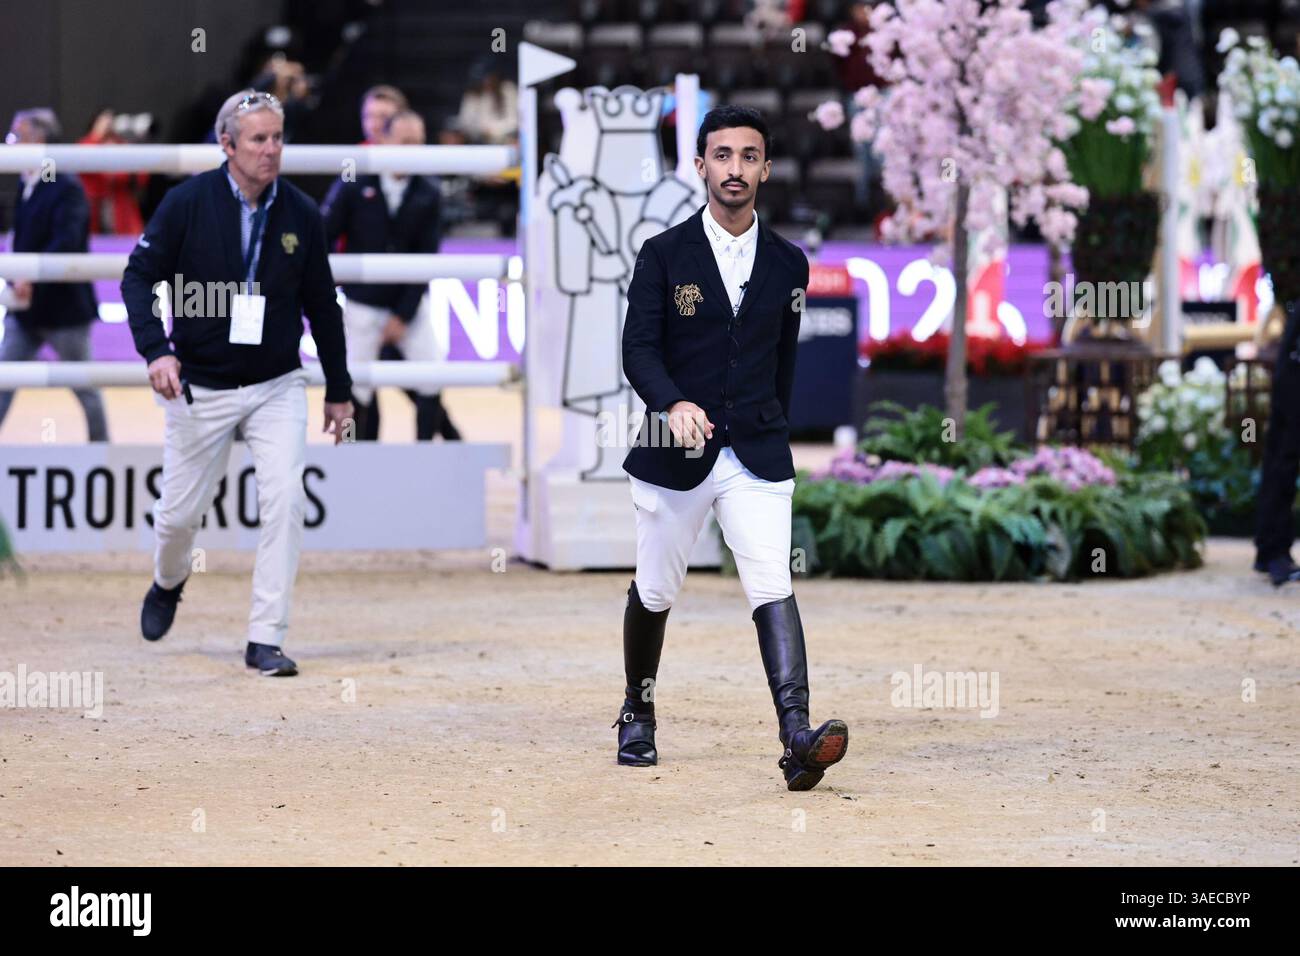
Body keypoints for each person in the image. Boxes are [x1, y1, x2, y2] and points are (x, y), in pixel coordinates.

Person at [615, 105, 848, 791]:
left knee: (772, 583)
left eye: (749, 156)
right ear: (700, 166)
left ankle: (797, 740)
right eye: (722, 155)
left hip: (757, 454)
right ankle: (638, 711)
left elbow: (782, 365)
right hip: (671, 451)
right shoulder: (662, 255)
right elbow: (638, 350)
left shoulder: (789, 264)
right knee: (656, 588)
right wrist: (673, 403)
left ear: (766, 168)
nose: (735, 168)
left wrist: (768, 424)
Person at [120, 89, 353, 676]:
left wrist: (340, 389)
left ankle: (265, 637)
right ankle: (167, 581)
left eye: (277, 137)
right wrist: (156, 351)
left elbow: (323, 305)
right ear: (226, 144)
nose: (271, 149)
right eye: (258, 138)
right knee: (178, 516)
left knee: (286, 502)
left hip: (276, 383)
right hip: (199, 384)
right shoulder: (186, 203)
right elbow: (138, 276)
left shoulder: (301, 211)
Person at [322, 108, 459, 440]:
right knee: (356, 388)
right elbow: (325, 232)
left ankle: (424, 455)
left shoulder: (429, 190)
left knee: (431, 378)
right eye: (406, 141)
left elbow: (428, 257)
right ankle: (352, 462)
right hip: (361, 303)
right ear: (383, 141)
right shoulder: (355, 181)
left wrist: (403, 314)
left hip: (408, 303)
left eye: (419, 142)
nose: (413, 150)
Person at [0, 108, 108, 442]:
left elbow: (68, 239)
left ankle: (102, 453)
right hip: (26, 310)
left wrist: (30, 277)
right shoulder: (27, 181)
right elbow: (23, 239)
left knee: (84, 389)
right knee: (3, 381)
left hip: (64, 312)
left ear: (38, 140)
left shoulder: (64, 185)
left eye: (17, 136)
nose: (10, 142)